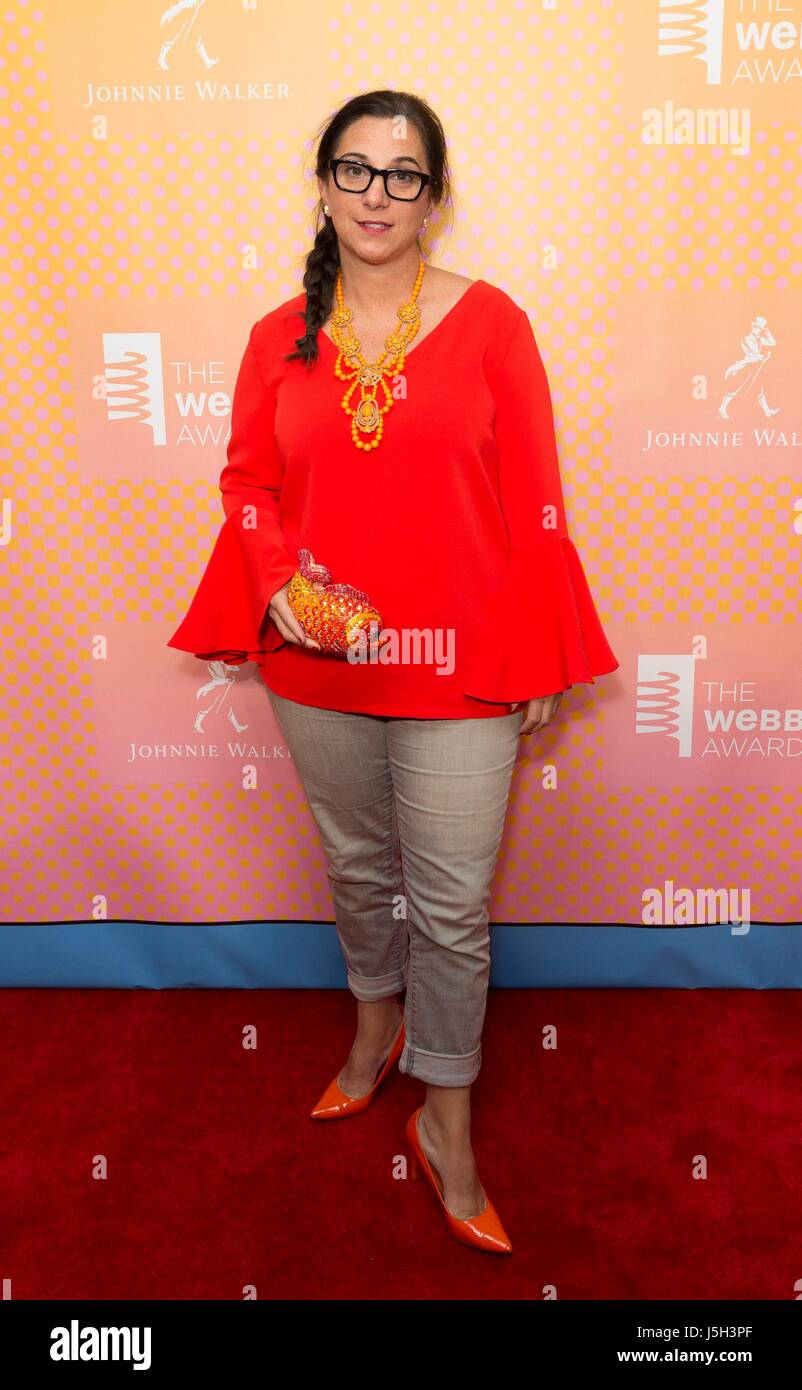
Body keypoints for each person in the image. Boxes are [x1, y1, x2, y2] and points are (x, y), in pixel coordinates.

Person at [167, 88, 619, 1255]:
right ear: (321, 185)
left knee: (454, 909)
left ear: (435, 196)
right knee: (360, 872)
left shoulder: (493, 323)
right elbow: (245, 486)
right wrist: (278, 583)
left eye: (402, 173)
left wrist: (539, 650)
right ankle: (372, 1038)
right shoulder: (280, 334)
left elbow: (538, 507)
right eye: (355, 171)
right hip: (317, 668)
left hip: (464, 670)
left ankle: (447, 1116)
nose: (377, 194)